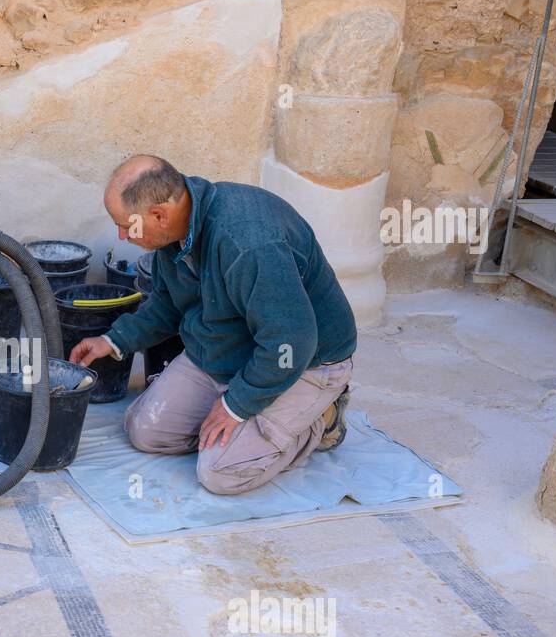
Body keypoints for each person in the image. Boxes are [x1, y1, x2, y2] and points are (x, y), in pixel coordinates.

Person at [69, 155, 358, 495]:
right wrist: (113, 341)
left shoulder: (248, 244)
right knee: (146, 431)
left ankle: (321, 417)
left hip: (301, 360)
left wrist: (237, 404)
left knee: (222, 474)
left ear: (160, 215)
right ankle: (248, 422)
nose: (120, 235)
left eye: (125, 225)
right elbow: (166, 306)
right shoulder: (173, 235)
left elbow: (291, 341)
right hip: (230, 348)